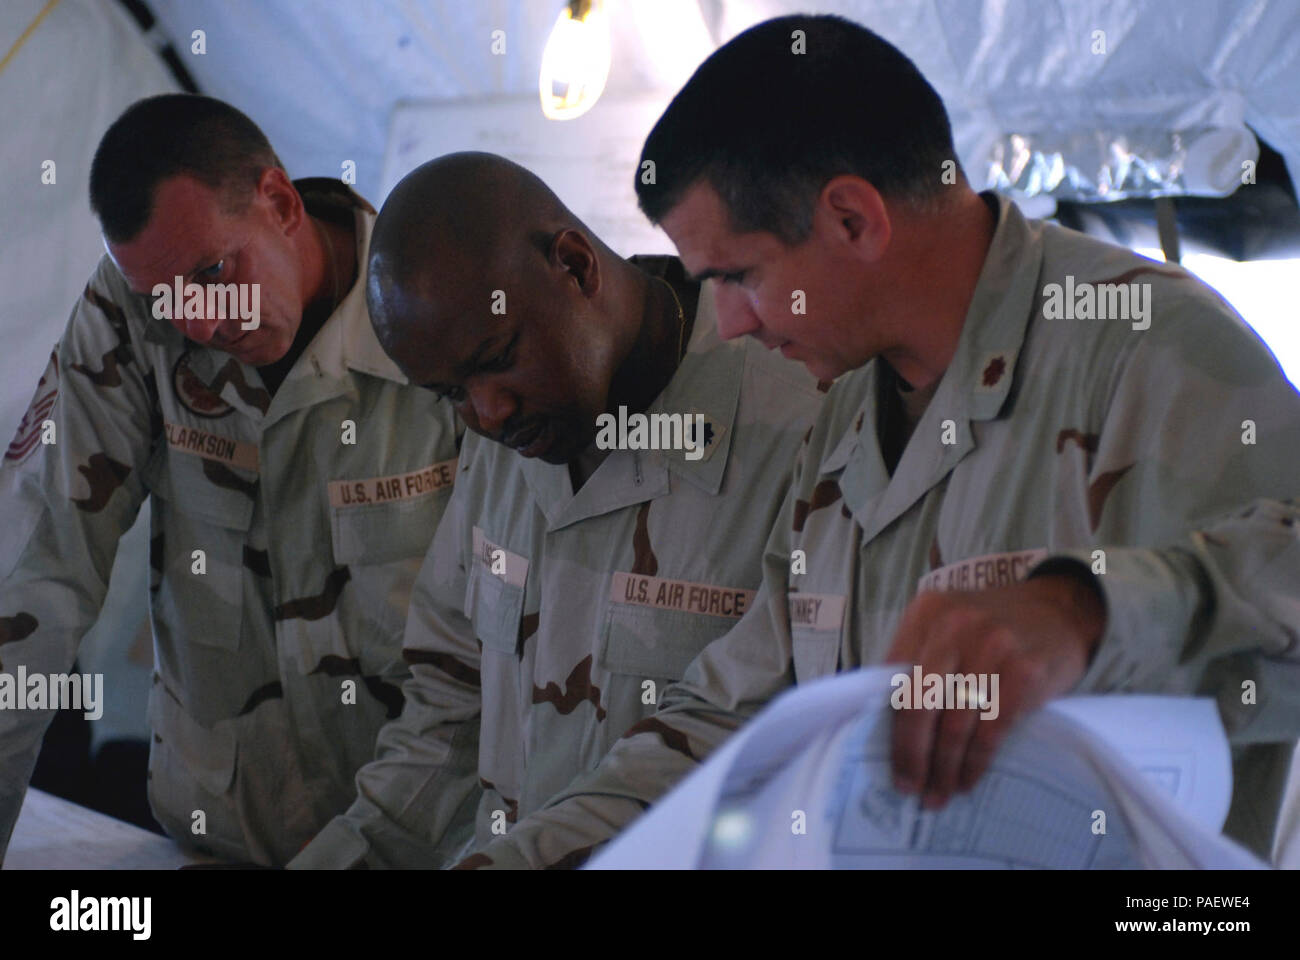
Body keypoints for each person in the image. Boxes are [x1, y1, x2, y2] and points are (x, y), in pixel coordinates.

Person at [468, 15, 1300, 868]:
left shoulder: (1146, 347)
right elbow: (733, 717)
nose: (728, 322)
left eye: (739, 277)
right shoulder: (843, 417)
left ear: (853, 219)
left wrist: (1087, 609)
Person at [288, 152, 825, 868]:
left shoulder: (798, 427)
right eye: (450, 393)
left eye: (499, 356)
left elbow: (738, 748)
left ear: (574, 266)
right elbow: (446, 720)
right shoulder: (506, 434)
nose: (485, 412)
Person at [0, 94, 463, 866]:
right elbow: (33, 576)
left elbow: (495, 662)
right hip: (222, 842)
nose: (201, 324)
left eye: (214, 273)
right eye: (166, 301)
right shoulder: (130, 314)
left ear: (280, 203)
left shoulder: (439, 315)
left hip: (416, 850)